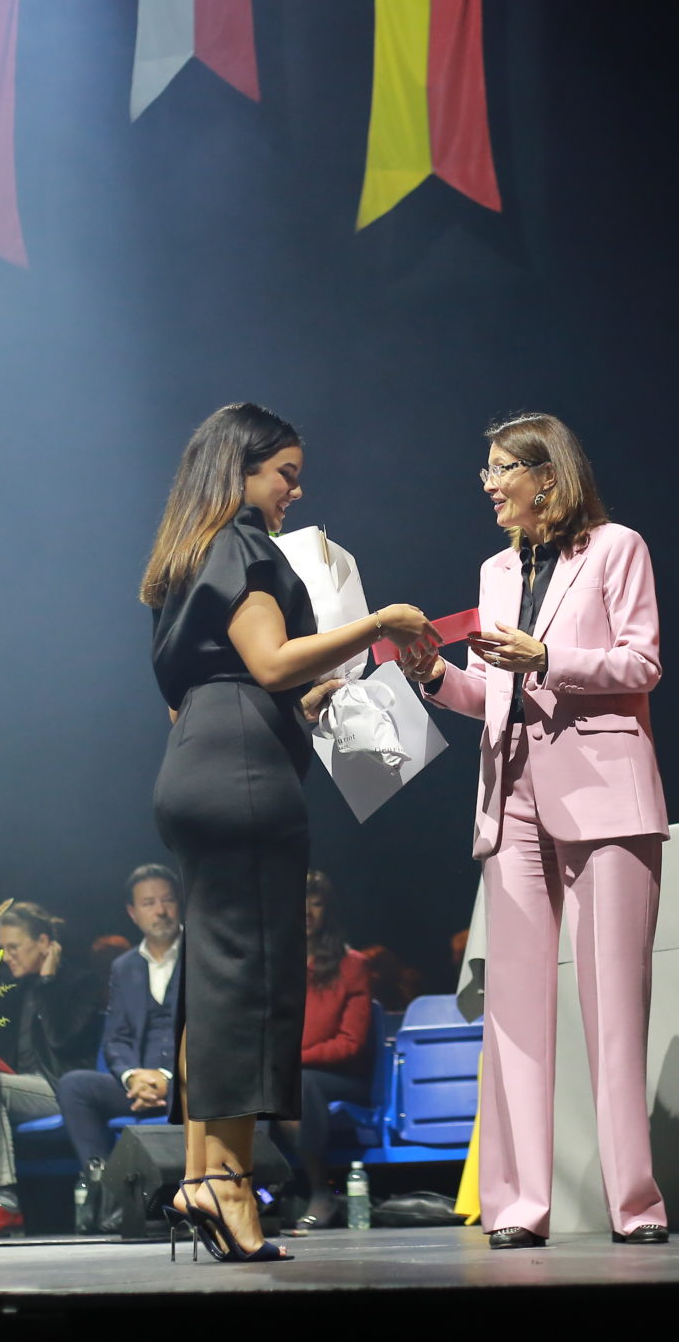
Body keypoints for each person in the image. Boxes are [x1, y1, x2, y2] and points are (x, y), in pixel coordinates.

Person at [142, 401, 434, 1262]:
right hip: (240, 774)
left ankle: (201, 1173)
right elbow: (268, 662)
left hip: (199, 753)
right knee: (246, 977)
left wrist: (307, 697)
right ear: (240, 469)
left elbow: (227, 679)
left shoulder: (180, 559)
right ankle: (230, 1183)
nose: (295, 493)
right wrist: (381, 624)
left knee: (211, 975)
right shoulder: (242, 543)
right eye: (286, 474)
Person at [400, 412, 671, 1249]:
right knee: (515, 1007)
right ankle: (518, 1204)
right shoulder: (493, 568)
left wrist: (548, 658)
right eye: (486, 469)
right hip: (507, 790)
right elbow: (490, 692)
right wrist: (433, 674)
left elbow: (642, 663)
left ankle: (635, 1204)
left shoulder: (616, 546)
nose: (487, 484)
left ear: (546, 475)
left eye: (500, 468)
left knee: (612, 1001)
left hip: (603, 789)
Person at [0, 901, 100, 1236]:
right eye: (3, 949)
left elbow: (63, 1041)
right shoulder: (11, 985)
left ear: (43, 943)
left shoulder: (79, 983)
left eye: (14, 948)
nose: (7, 956)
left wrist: (48, 982)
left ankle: (5, 1196)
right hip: (15, 1086)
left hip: (60, 1089)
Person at [56, 865, 184, 1179]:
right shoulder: (124, 967)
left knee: (209, 1090)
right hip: (139, 1088)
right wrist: (134, 1078)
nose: (161, 910)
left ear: (180, 904)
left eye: (167, 900)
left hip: (188, 1082)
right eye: (149, 903)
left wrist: (168, 1077)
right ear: (132, 912)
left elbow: (211, 1033)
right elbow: (115, 1038)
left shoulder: (202, 955)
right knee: (75, 1086)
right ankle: (107, 1188)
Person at [281, 870, 372, 1231]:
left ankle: (321, 1190)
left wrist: (292, 1061)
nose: (305, 911)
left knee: (299, 1085)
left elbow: (351, 1044)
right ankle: (262, 1195)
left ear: (327, 912)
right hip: (292, 1073)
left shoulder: (353, 966)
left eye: (315, 903)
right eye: (297, 902)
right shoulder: (276, 967)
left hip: (342, 1078)